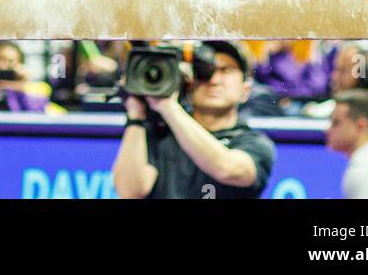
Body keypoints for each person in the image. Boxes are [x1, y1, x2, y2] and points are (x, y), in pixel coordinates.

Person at [112, 41, 275, 200]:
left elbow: (226, 169)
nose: (214, 80)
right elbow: (130, 192)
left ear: (245, 90)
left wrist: (168, 106)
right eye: (205, 71)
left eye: (226, 70)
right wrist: (136, 115)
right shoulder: (160, 133)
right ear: (188, 83)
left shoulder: (255, 144)